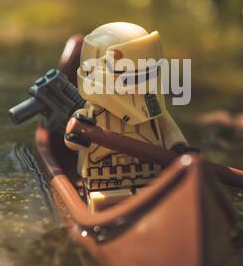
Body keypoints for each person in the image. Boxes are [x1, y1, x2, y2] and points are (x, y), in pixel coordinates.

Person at [64, 22, 189, 211]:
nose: (141, 86)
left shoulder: (151, 104)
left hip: (150, 177)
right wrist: (75, 138)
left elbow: (167, 127)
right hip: (104, 179)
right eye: (132, 79)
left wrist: (178, 146)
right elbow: (72, 139)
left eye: (149, 74)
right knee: (103, 202)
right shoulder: (90, 114)